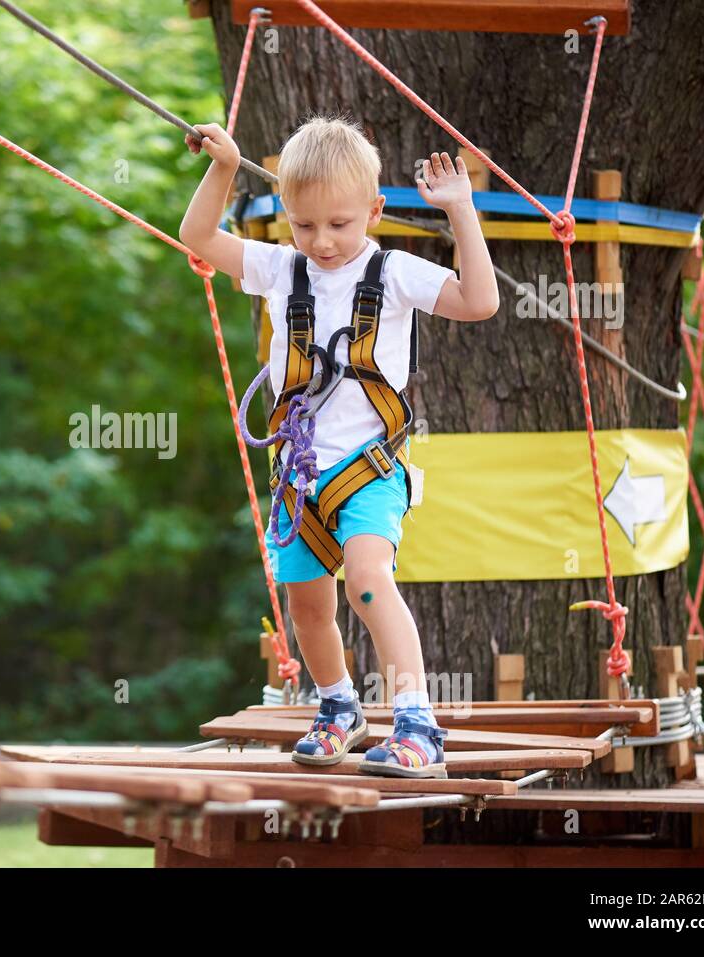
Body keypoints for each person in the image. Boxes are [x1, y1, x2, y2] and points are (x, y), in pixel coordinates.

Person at [178, 114, 499, 776]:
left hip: (367, 469)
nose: (321, 241)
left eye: (340, 224)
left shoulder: (396, 272)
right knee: (306, 601)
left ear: (374, 211)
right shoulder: (276, 269)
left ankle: (417, 721)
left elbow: (479, 300)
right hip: (298, 475)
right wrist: (224, 168)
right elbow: (199, 236)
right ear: (287, 219)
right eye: (304, 225)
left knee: (367, 580)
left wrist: (461, 209)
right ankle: (338, 707)